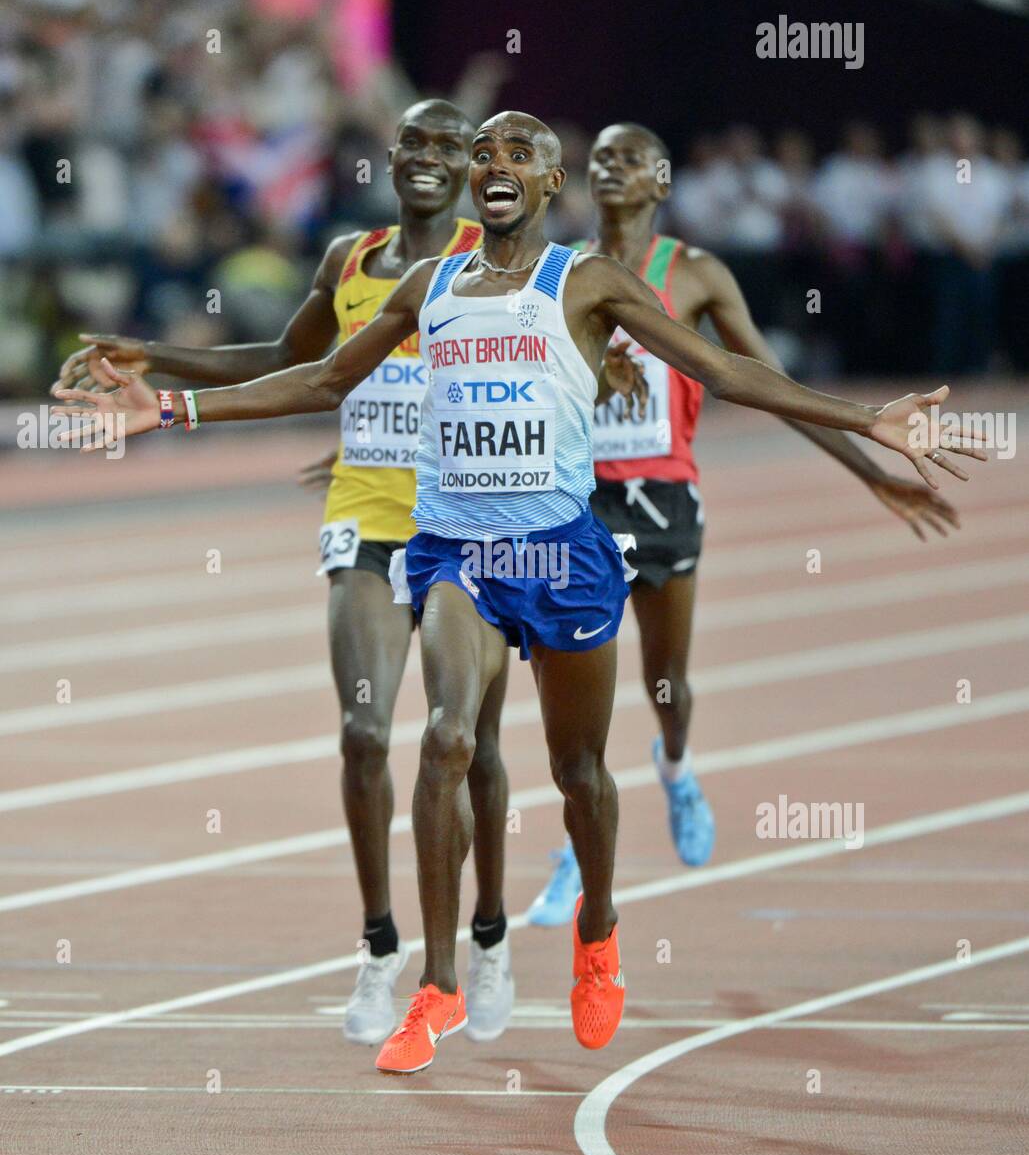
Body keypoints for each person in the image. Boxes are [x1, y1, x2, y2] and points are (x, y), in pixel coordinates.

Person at [54, 110, 983, 1076]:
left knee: (578, 772)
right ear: (473, 183)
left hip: (561, 555)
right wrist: (169, 406)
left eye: (520, 156)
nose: (497, 166)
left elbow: (725, 370)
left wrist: (871, 424)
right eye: (485, 155)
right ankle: (439, 985)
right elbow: (325, 377)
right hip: (455, 553)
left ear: (549, 186)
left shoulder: (585, 283)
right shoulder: (430, 284)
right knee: (446, 737)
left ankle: (599, 929)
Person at [56, 100, 516, 1046]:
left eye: (447, 147)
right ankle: (379, 948)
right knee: (361, 731)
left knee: (463, 745)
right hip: (364, 516)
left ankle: (488, 932)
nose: (428, 159)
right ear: (390, 160)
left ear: (472, 164)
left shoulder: (497, 257)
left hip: (471, 531)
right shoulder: (349, 259)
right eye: (413, 144)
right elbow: (291, 363)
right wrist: (158, 357)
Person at [528, 121, 962, 925]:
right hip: (573, 507)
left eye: (631, 159)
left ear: (663, 181)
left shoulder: (691, 273)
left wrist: (870, 471)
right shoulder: (556, 275)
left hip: (663, 501)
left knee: (668, 686)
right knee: (573, 701)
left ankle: (677, 767)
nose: (611, 169)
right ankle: (575, 856)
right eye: (600, 161)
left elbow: (757, 377)